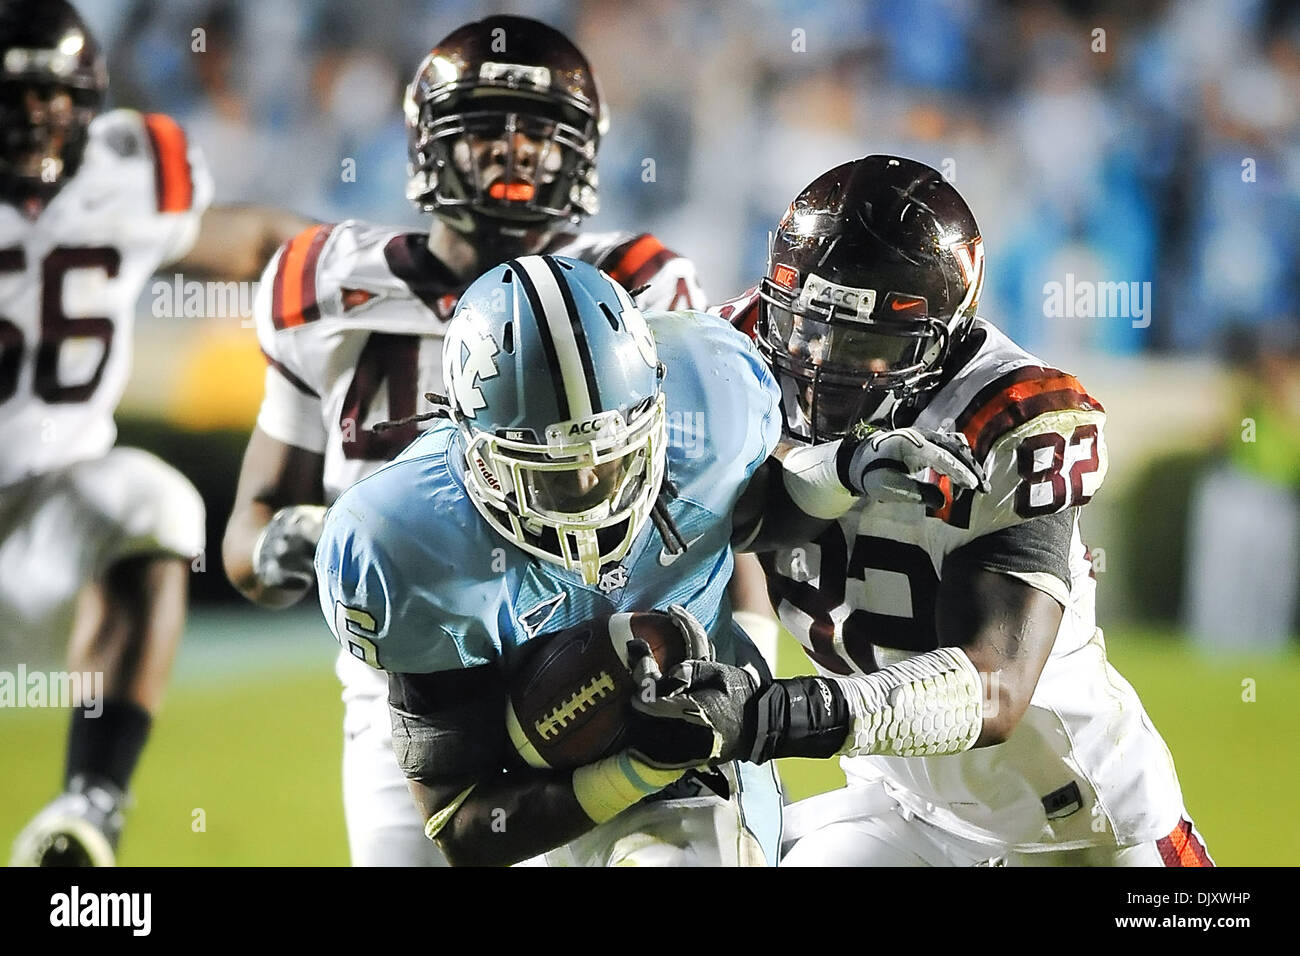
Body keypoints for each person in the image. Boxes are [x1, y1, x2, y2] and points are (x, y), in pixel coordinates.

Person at [220, 15, 760, 868]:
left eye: (543, 136)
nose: (517, 153)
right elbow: (248, 534)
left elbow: (723, 506)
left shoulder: (638, 289)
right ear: (428, 142)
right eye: (487, 130)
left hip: (594, 660)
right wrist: (306, 542)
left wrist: (747, 665)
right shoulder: (327, 288)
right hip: (418, 690)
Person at [645, 156, 1212, 867]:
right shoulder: (729, 356)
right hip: (898, 802)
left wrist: (771, 716)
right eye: (808, 329)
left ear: (942, 338)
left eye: (866, 344)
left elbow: (993, 688)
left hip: (1073, 822)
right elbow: (735, 516)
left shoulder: (1013, 417)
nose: (822, 364)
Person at [314, 255, 782, 866]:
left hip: (710, 770)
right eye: (554, 471)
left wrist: (747, 680)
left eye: (613, 454)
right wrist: (638, 766)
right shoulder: (407, 542)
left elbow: (761, 535)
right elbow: (462, 824)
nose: (591, 482)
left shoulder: (714, 398)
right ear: (478, 455)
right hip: (534, 788)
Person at [3, 0, 311, 866]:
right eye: (12, 96)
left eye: (49, 96)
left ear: (87, 101)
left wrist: (365, 261)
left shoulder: (125, 172)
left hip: (54, 514)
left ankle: (89, 808)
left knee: (153, 498)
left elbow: (251, 243)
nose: (32, 118)